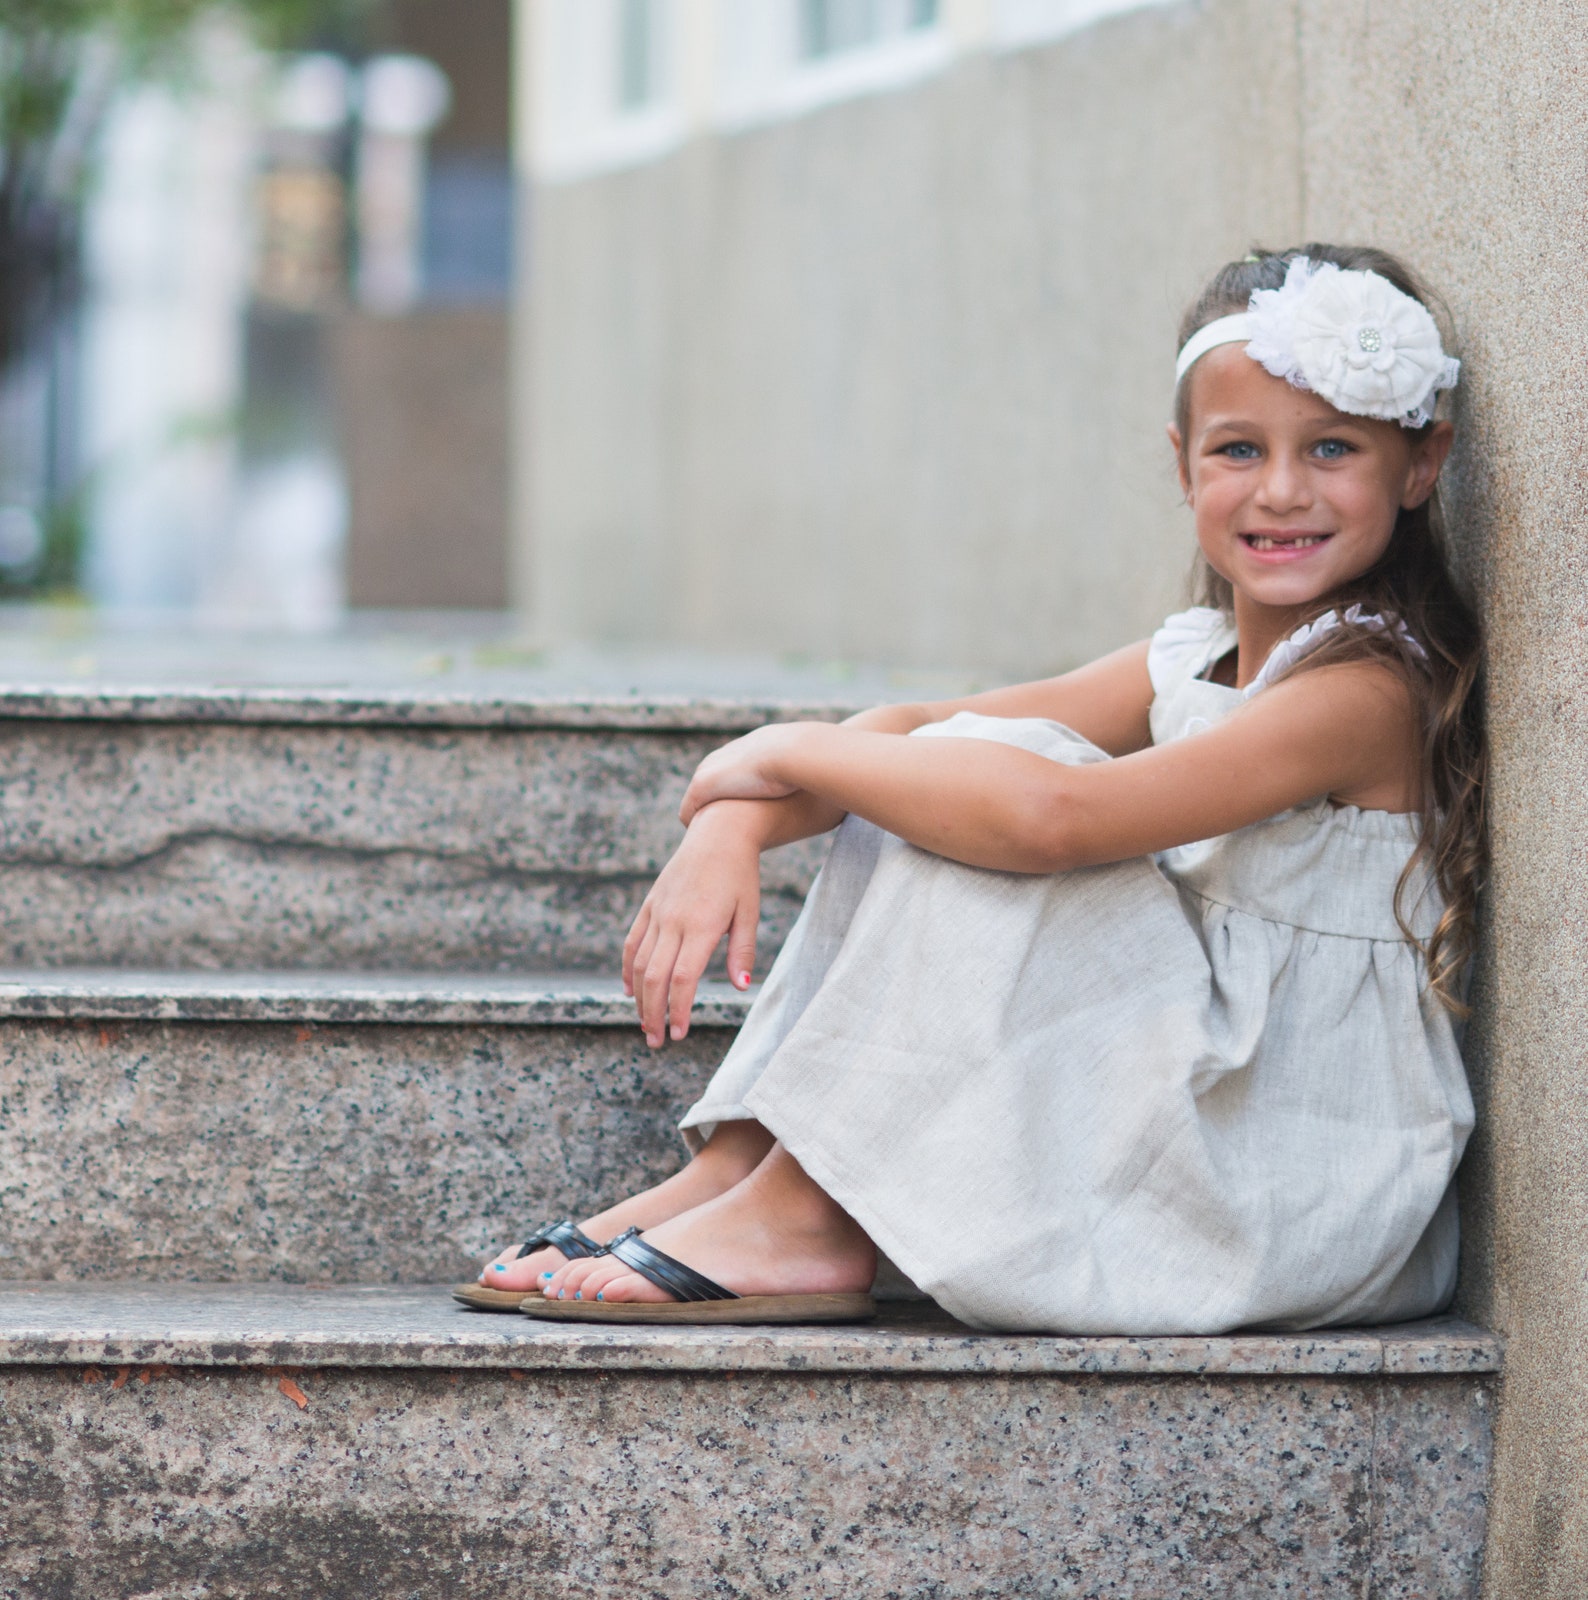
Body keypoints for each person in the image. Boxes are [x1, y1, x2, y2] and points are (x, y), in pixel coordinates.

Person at [460, 244, 1485, 1333]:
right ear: (1182, 465)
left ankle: (808, 1215)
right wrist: (733, 821)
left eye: (1332, 448)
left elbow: (1054, 820)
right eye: (1240, 448)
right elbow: (911, 732)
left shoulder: (1367, 688)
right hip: (1177, 1108)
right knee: (943, 768)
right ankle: (748, 1173)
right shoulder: (1194, 656)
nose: (1282, 489)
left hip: (1288, 1173)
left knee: (1009, 795)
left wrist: (791, 750)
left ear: (1419, 465)